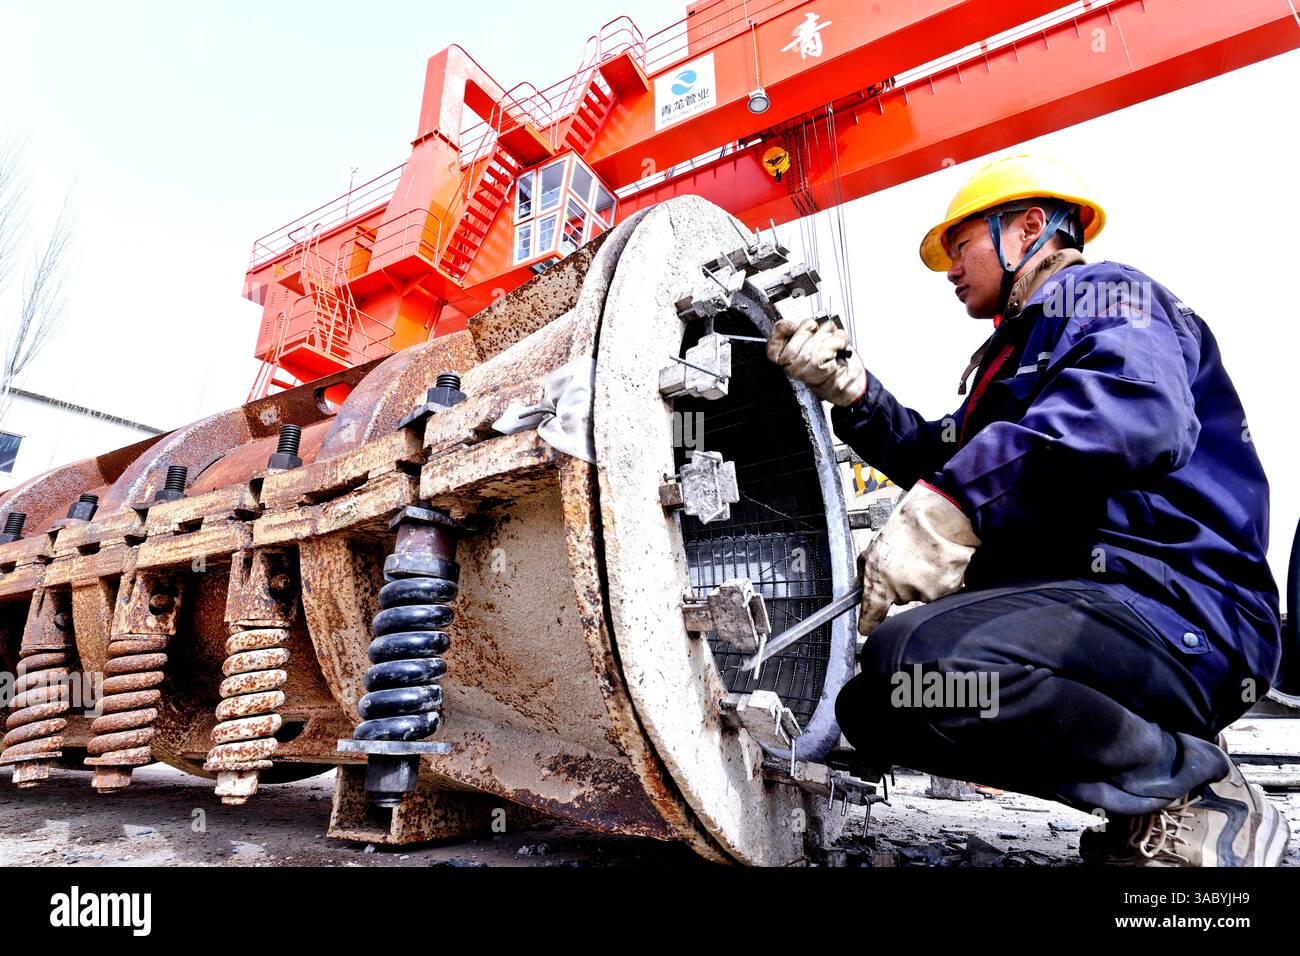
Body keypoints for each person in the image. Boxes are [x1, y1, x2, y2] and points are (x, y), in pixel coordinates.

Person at [766, 154, 1288, 866]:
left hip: (1181, 607)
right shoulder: (1016, 360)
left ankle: (1197, 794)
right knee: (876, 706)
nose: (949, 270)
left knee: (920, 658)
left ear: (1028, 228)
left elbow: (1139, 412)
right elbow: (948, 455)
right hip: (1103, 615)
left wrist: (953, 510)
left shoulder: (1104, 295)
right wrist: (855, 392)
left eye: (960, 246)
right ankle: (1145, 774)